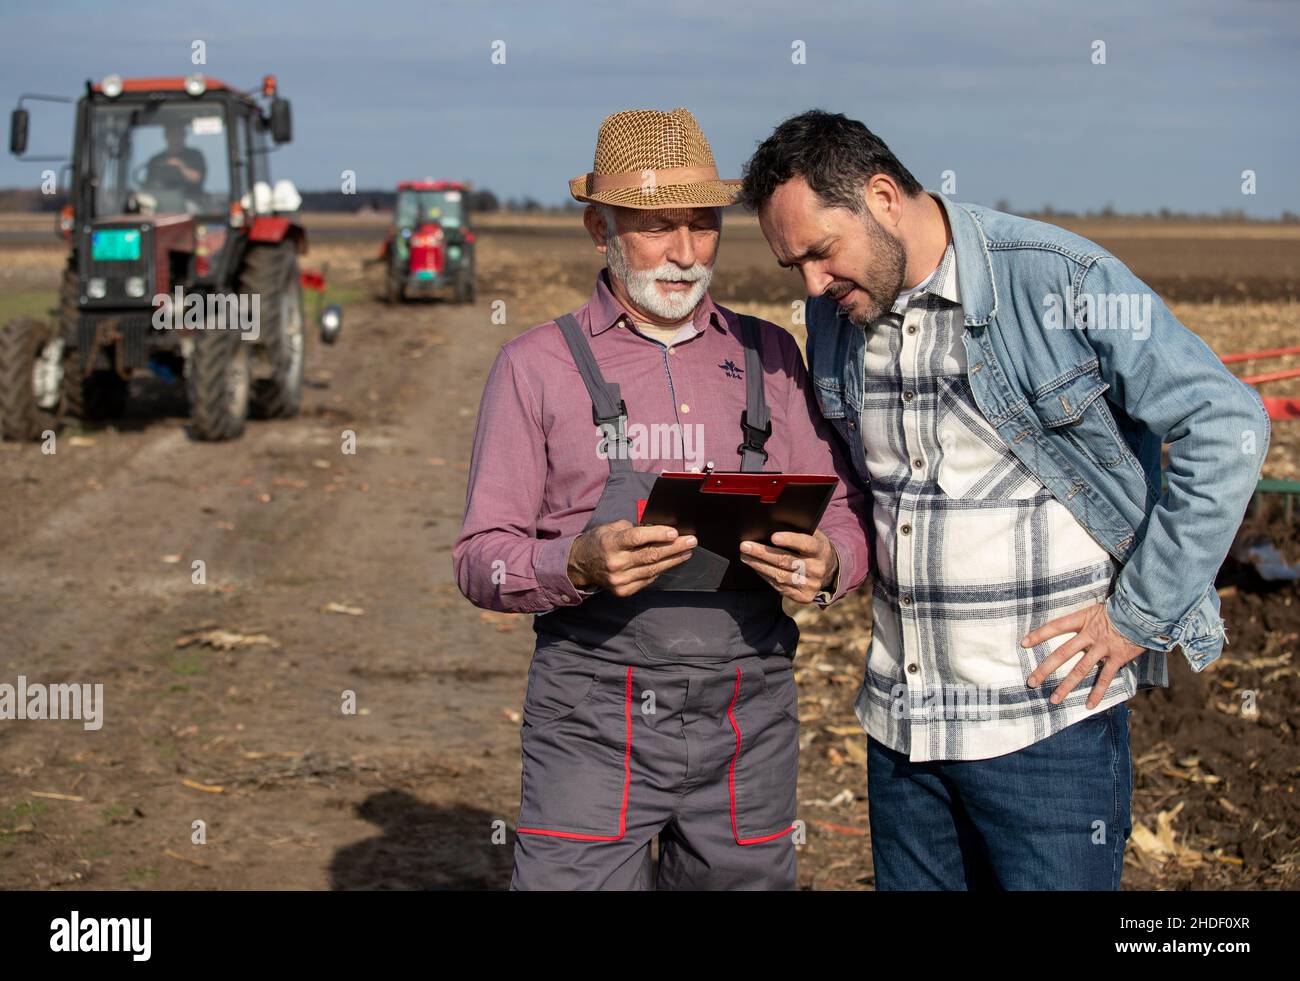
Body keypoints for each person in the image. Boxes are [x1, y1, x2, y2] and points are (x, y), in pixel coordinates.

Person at [738, 109, 1269, 890]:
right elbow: (862, 483)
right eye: (797, 269)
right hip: (903, 734)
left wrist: (1136, 616)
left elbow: (1225, 423)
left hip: (1046, 732)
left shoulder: (1056, 278)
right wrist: (833, 554)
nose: (813, 285)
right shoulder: (837, 314)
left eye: (820, 253)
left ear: (883, 196)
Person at [454, 108, 872, 890]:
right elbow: (481, 559)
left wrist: (832, 560)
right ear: (598, 227)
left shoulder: (771, 354)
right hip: (590, 720)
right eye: (655, 227)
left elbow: (847, 508)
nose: (684, 253)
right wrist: (573, 563)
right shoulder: (534, 367)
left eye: (703, 224)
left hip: (749, 718)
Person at [145, 120, 206, 193]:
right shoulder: (156, 160)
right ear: (166, 137)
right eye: (173, 135)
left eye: (179, 134)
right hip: (162, 200)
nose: (176, 139)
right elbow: (149, 185)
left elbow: (197, 178)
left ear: (184, 136)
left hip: (191, 199)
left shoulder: (195, 155)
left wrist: (181, 168)